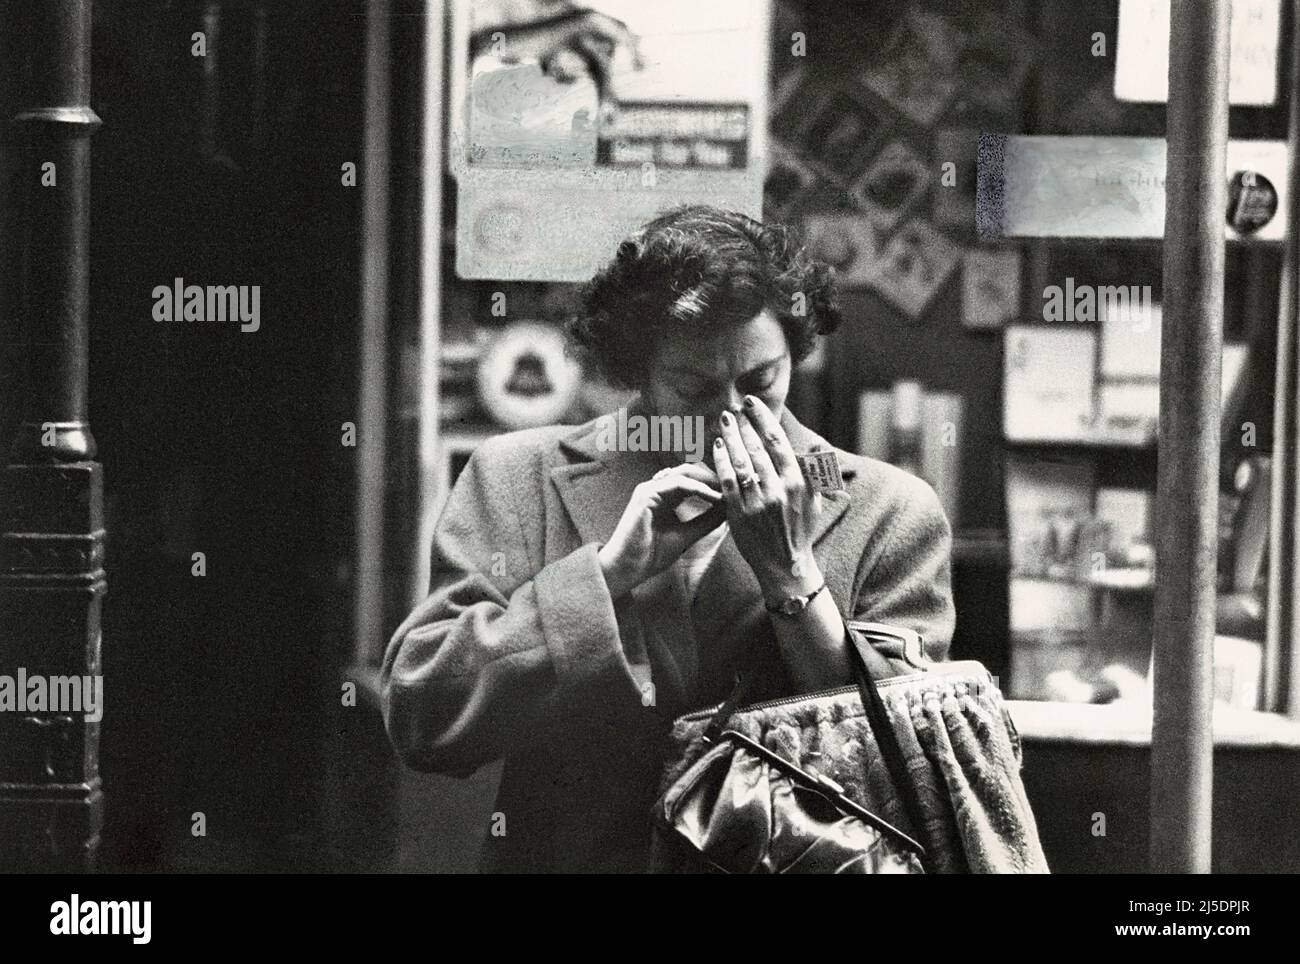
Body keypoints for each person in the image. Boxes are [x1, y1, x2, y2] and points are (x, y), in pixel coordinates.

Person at [381, 205, 956, 873]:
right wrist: (602, 579)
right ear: (639, 374)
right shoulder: (519, 477)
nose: (730, 415)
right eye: (693, 387)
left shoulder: (889, 512)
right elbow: (424, 716)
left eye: (761, 382)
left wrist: (793, 576)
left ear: (797, 355)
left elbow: (909, 774)